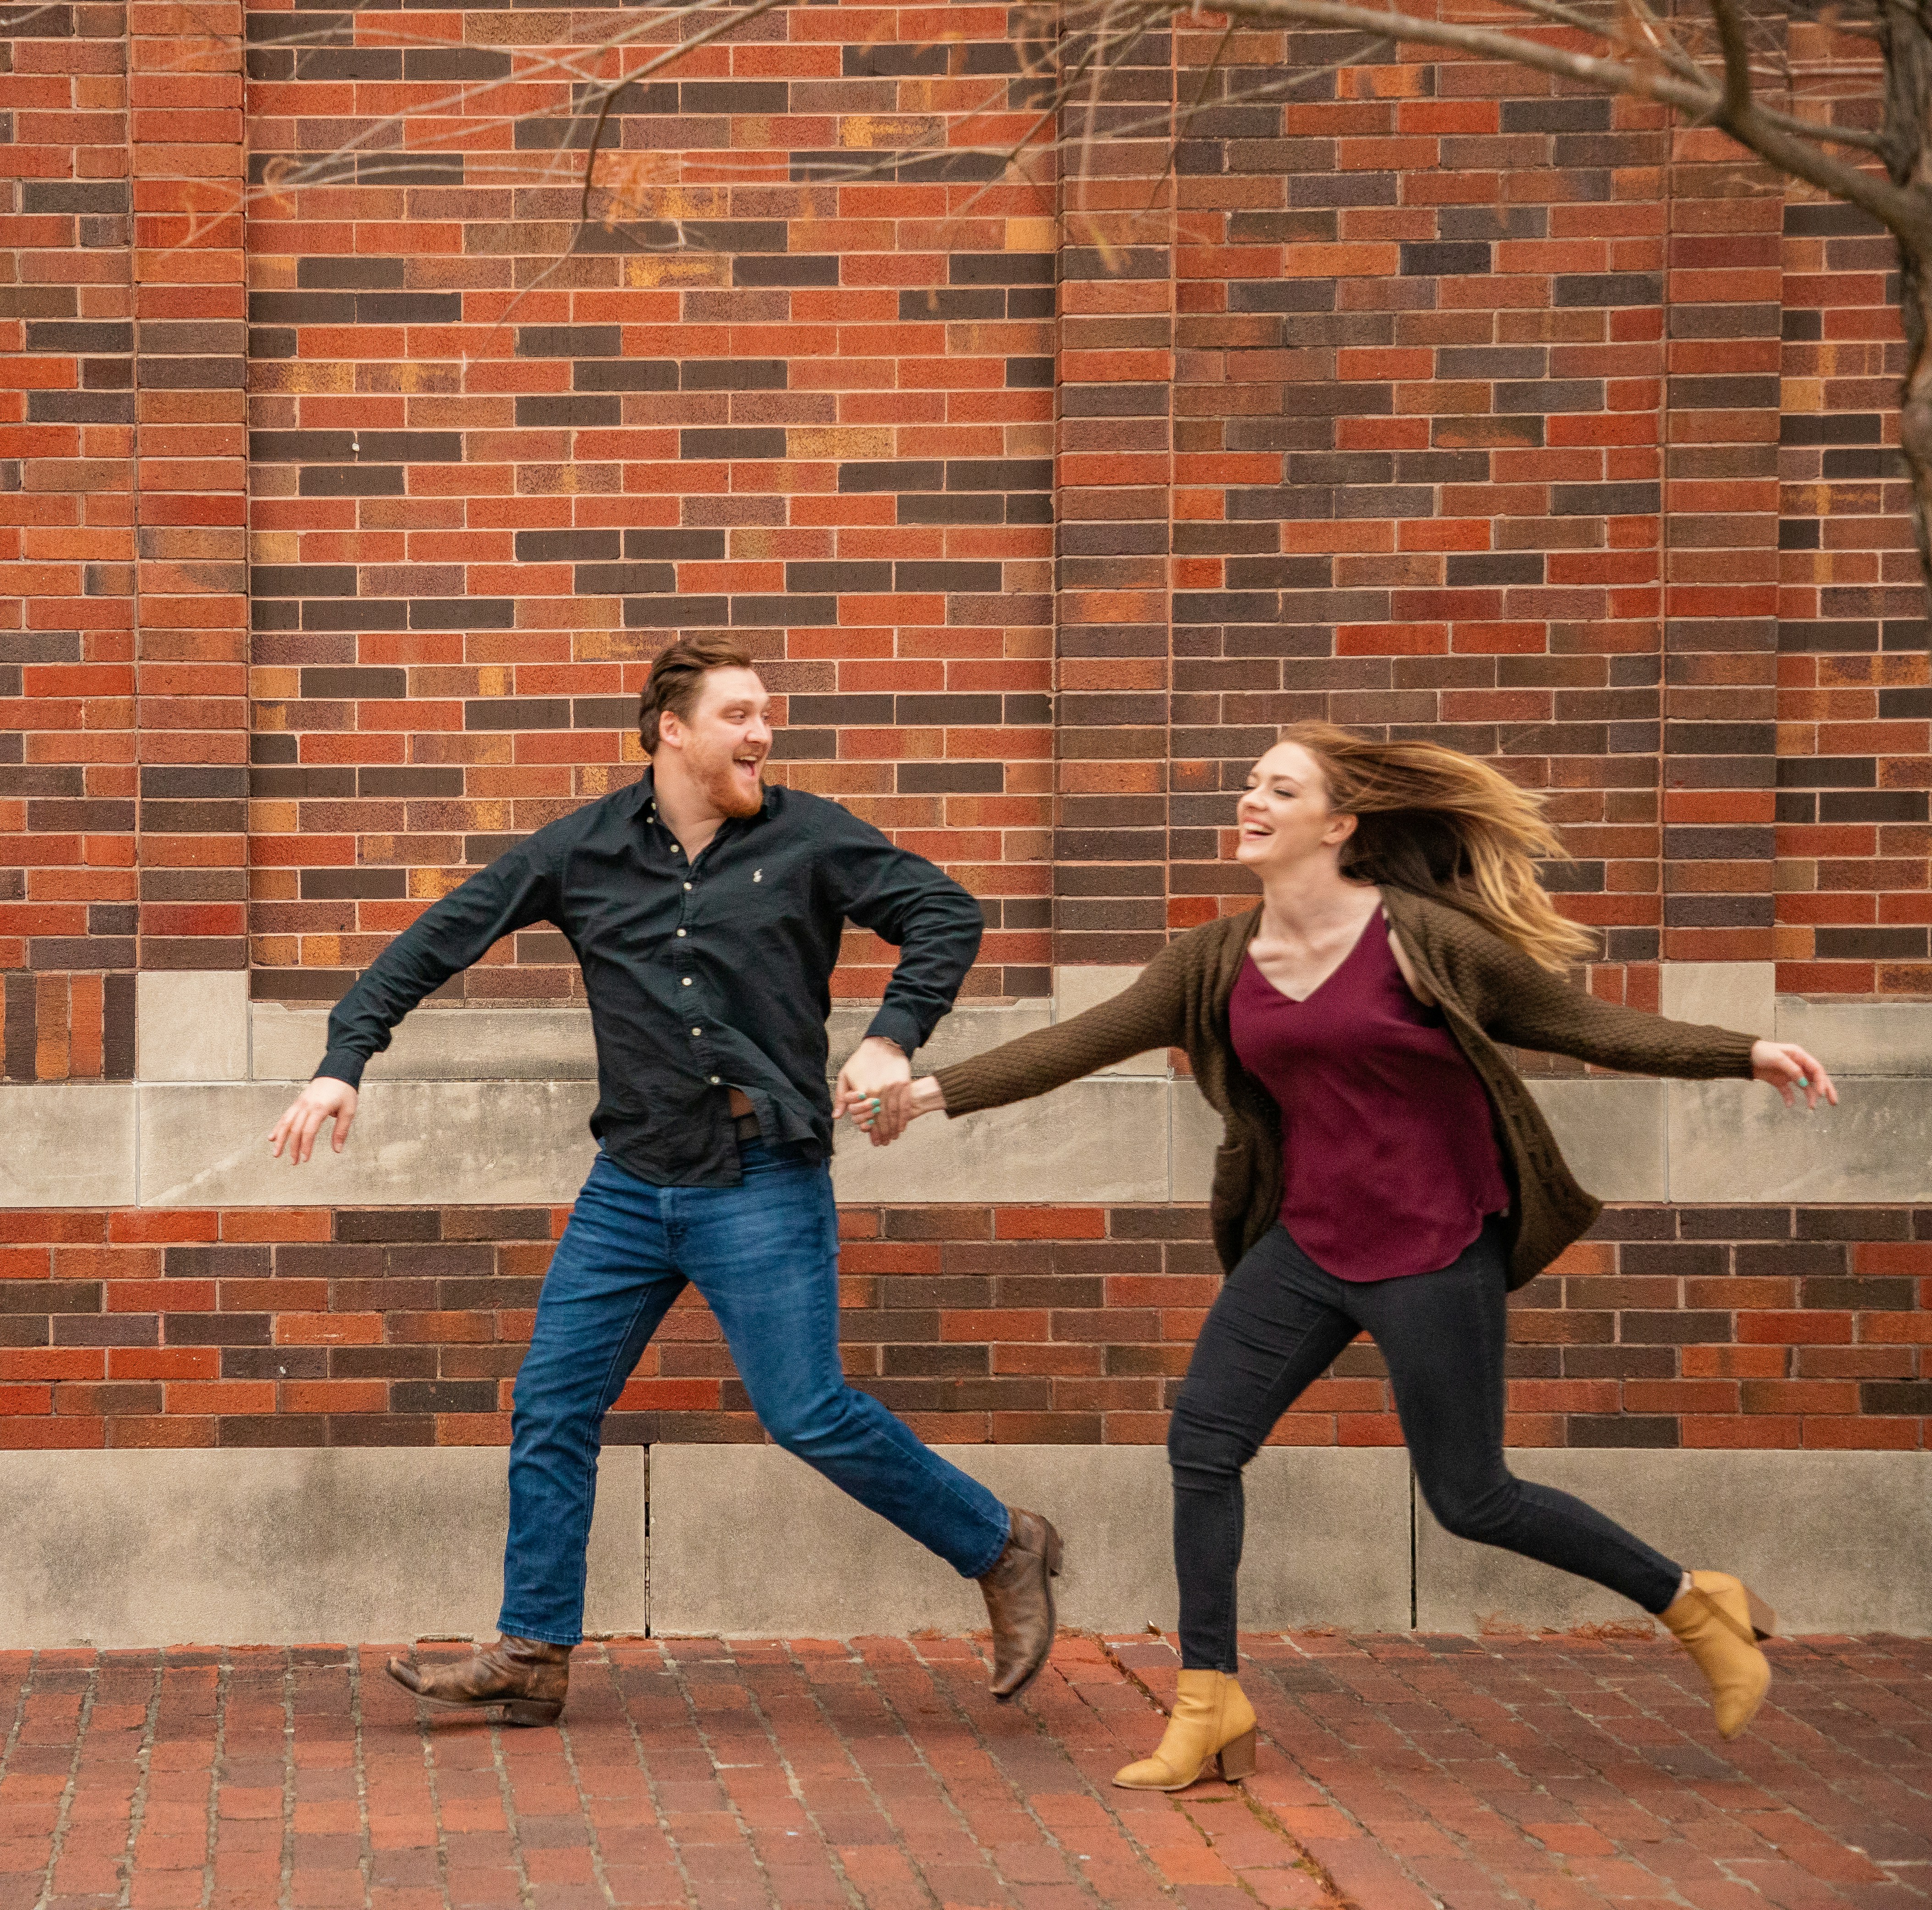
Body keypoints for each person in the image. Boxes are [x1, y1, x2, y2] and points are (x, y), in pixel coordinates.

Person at [870, 722, 1833, 1790]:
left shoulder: (1421, 939)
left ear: (1340, 824)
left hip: (1434, 1244)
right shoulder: (1216, 958)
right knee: (1204, 1442)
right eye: (1249, 785)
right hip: (1307, 1244)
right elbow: (1080, 1040)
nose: (1251, 801)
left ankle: (1696, 1604)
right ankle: (1209, 1699)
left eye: (1279, 789)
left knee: (1472, 1496)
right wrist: (926, 1092)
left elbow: (1584, 1025)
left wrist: (1743, 1053)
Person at [268, 639, 1067, 1724]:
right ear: (672, 730)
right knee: (553, 1402)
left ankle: (1003, 1544)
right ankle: (535, 1650)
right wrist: (339, 1063)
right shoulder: (583, 850)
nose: (763, 735)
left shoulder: (811, 836)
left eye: (768, 716)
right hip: (632, 1184)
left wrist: (891, 1039)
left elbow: (946, 913)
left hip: (760, 1177)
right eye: (740, 715)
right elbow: (433, 941)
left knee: (807, 1412)